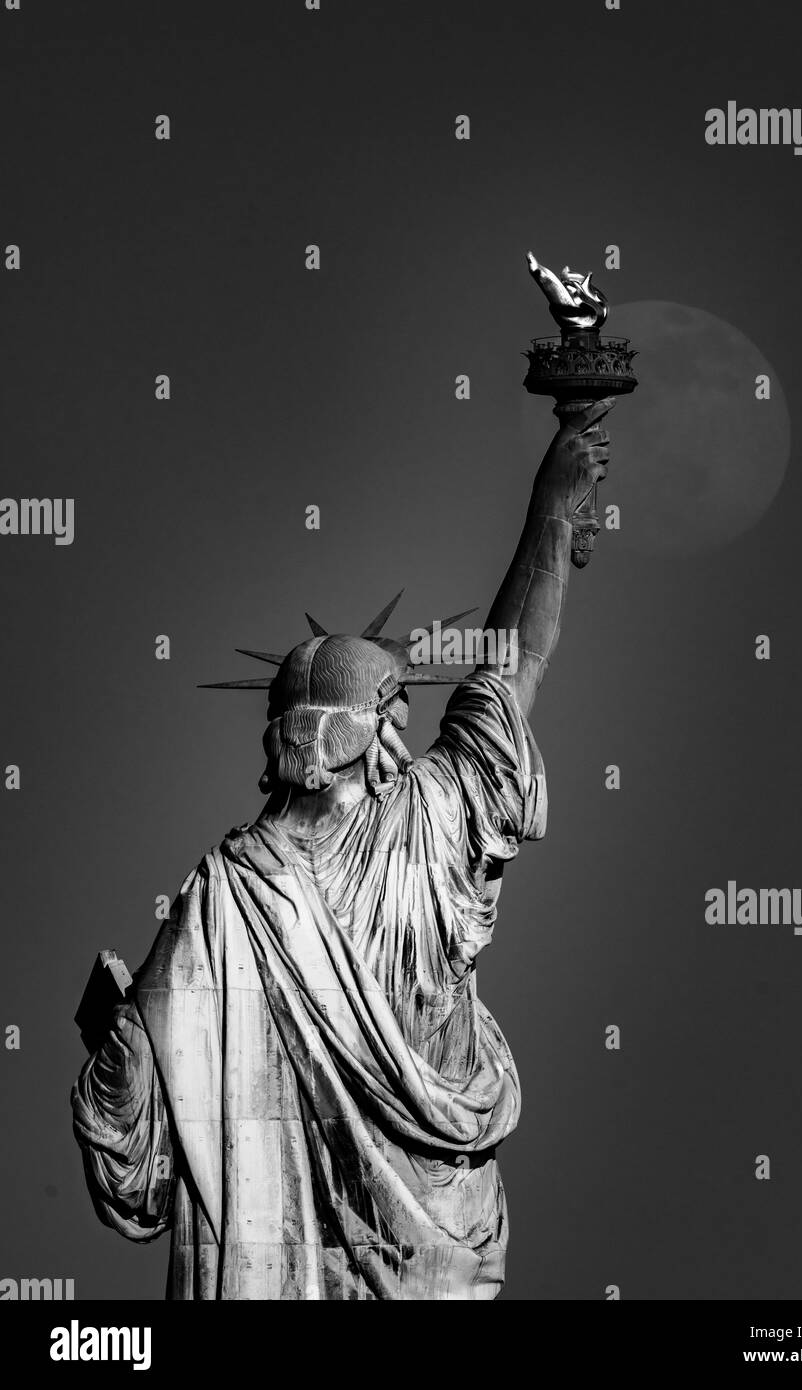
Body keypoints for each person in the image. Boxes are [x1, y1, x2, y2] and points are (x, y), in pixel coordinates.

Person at [72, 399, 613, 1300]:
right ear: (375, 736)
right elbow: (513, 669)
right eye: (398, 714)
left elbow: (140, 1161)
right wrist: (551, 508)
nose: (408, 733)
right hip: (439, 1250)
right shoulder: (428, 829)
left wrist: (118, 1035)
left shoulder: (224, 899)